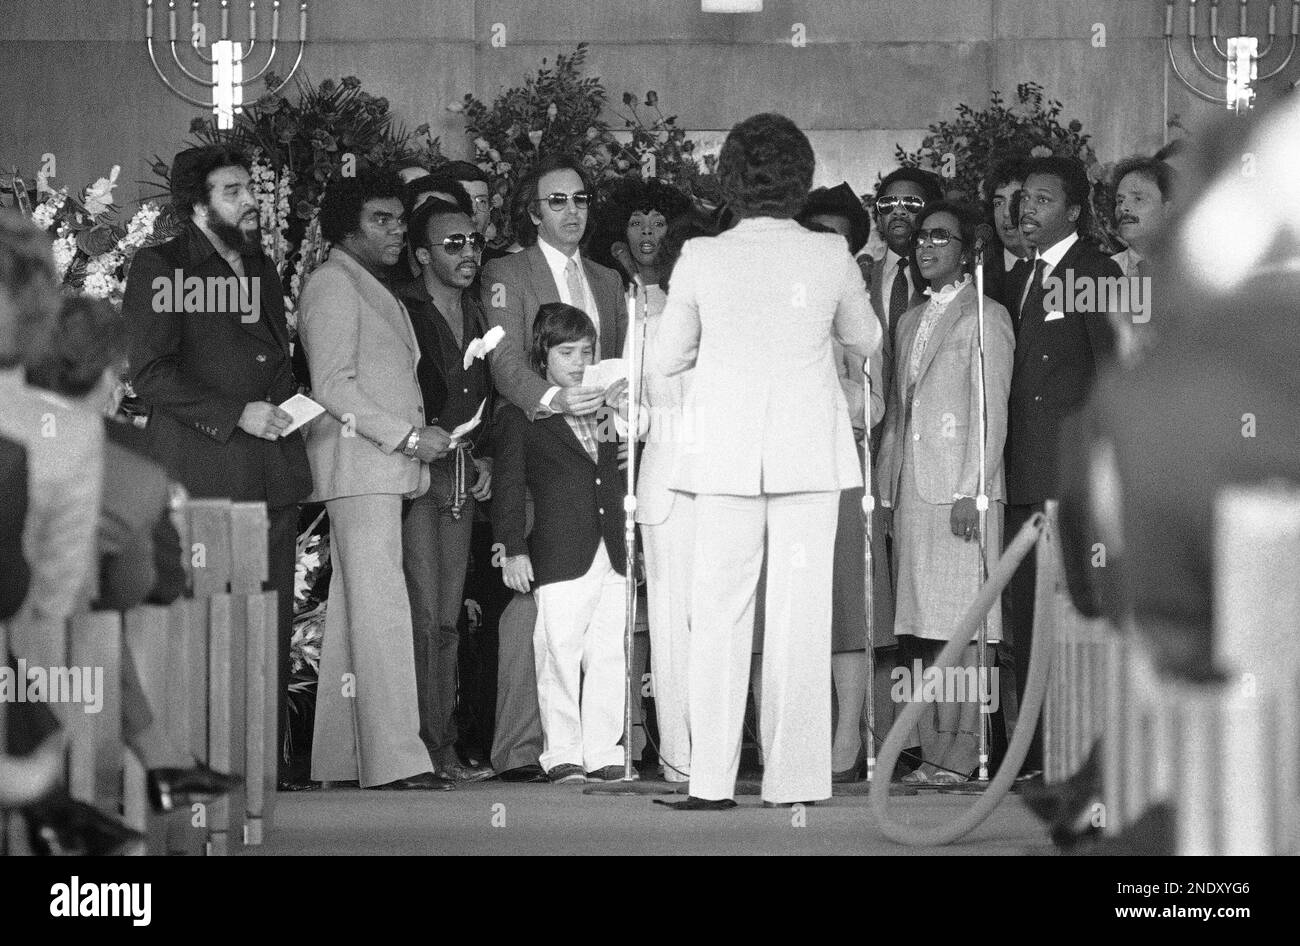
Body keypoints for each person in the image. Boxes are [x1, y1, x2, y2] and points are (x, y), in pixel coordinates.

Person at [655, 113, 881, 810]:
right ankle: (795, 779)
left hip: (722, 456)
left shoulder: (700, 256)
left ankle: (711, 781)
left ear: (729, 178)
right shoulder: (828, 255)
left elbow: (667, 358)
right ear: (801, 178)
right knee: (799, 619)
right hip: (808, 455)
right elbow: (866, 340)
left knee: (718, 620)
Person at [124, 145, 313, 784]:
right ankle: (203, 759)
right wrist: (237, 414)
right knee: (209, 622)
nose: (250, 200)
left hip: (273, 470)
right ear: (198, 204)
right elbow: (150, 374)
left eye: (249, 188)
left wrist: (289, 404)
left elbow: (273, 356)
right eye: (233, 191)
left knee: (271, 614)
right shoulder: (163, 265)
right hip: (207, 470)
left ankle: (257, 760)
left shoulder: (259, 264)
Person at [298, 173, 451, 791]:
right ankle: (396, 760)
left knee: (354, 616)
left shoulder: (361, 283)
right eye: (380, 220)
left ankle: (341, 760)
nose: (396, 230)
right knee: (383, 612)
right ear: (345, 228)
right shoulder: (333, 284)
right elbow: (332, 387)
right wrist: (410, 437)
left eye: (398, 219)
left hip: (372, 467)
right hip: (361, 466)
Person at [480, 154, 628, 781]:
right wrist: (552, 399)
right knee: (549, 633)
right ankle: (541, 749)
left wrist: (619, 413)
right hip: (537, 449)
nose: (573, 211)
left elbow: (616, 362)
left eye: (581, 200)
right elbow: (506, 360)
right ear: (535, 211)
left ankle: (606, 751)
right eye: (558, 201)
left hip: (600, 459)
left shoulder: (609, 279)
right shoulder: (506, 272)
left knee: (606, 640)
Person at [878, 201, 1014, 783]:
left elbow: (991, 413)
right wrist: (885, 493)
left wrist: (973, 490)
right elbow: (898, 416)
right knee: (925, 631)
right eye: (923, 238)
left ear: (967, 248)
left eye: (942, 236)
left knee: (968, 629)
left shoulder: (988, 315)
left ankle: (965, 757)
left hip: (960, 493)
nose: (928, 246)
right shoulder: (909, 319)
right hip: (913, 494)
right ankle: (933, 753)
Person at [1002, 154, 1119, 775]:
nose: (1029, 208)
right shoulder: (1017, 275)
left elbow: (1116, 371)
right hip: (1021, 477)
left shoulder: (1095, 271)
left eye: (1044, 199)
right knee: (1027, 621)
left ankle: (1078, 756)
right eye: (1026, 197)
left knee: (1074, 620)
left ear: (1074, 211)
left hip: (1071, 480)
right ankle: (1038, 754)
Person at [491, 303, 629, 783]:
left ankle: (605, 749)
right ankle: (563, 751)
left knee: (611, 651)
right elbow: (508, 488)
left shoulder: (608, 410)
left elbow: (618, 472)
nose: (577, 361)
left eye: (586, 352)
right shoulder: (519, 416)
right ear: (541, 356)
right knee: (558, 650)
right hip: (556, 546)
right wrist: (513, 547)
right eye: (565, 351)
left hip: (613, 545)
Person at [395, 198, 496, 783]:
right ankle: (420, 750)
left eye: (473, 243)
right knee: (422, 615)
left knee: (447, 620)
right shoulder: (402, 311)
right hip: (412, 474)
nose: (468, 253)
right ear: (421, 255)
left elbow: (481, 397)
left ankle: (442, 747)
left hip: (459, 476)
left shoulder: (479, 311)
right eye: (452, 244)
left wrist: (481, 454)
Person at [797, 183, 895, 781]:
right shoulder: (785, 305)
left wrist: (836, 376)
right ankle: (796, 736)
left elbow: (874, 408)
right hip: (785, 473)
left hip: (841, 473)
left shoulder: (860, 318)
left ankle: (845, 743)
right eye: (818, 237)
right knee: (793, 610)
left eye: (839, 238)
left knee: (847, 610)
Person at [621, 208, 714, 782]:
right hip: (664, 487)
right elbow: (630, 413)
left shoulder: (739, 322)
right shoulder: (646, 316)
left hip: (727, 487)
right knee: (672, 624)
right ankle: (680, 758)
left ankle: (719, 751)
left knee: (720, 623)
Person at [865, 167, 942, 408]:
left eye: (911, 203)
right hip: (869, 420)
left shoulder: (944, 279)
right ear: (878, 217)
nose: (898, 211)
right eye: (888, 204)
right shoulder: (861, 276)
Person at [1110, 155, 1175, 364]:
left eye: (1138, 199)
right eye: (1120, 201)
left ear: (1169, 209)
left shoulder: (1192, 275)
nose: (1124, 209)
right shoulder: (1105, 270)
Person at [982, 157, 1033, 311]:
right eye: (999, 203)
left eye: (1016, 201)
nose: (1006, 213)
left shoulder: (1059, 270)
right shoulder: (979, 271)